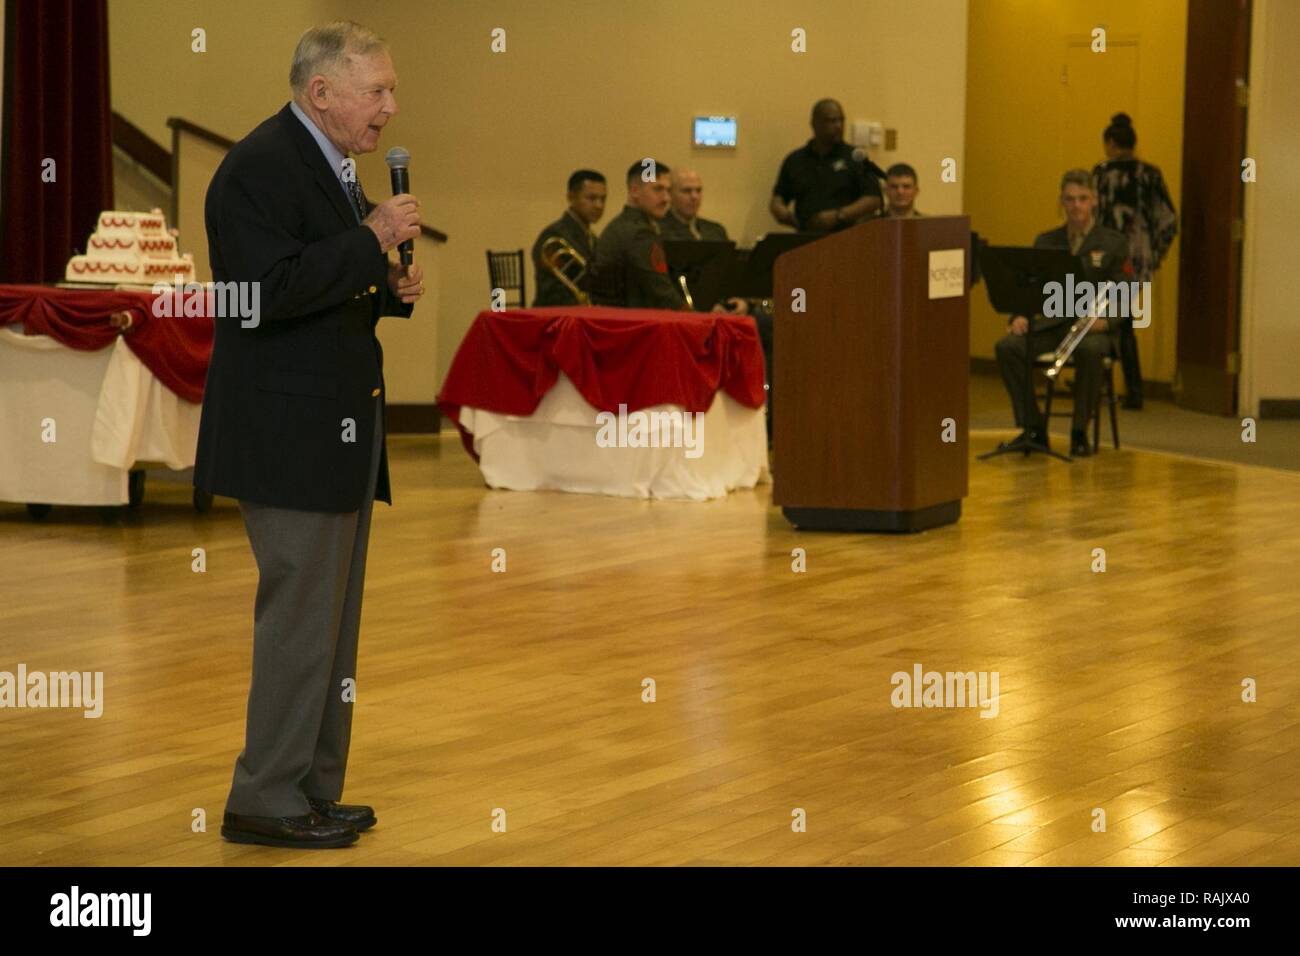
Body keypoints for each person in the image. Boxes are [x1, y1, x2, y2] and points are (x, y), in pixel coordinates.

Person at [194, 20, 424, 849]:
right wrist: (370, 241)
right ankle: (263, 795)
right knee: (298, 621)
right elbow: (263, 292)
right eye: (377, 91)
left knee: (333, 625)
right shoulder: (260, 166)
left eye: (391, 90)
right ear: (321, 92)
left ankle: (312, 787)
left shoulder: (333, 166)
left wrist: (389, 287)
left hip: (337, 428)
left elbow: (331, 277)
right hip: (286, 434)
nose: (390, 108)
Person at [993, 170, 1130, 458]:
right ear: (1062, 202)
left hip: (1092, 327)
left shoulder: (1113, 242)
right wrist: (1020, 316)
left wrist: (1106, 321)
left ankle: (1079, 431)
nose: (1076, 205)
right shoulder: (1047, 241)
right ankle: (1034, 427)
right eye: (1070, 199)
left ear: (1094, 201)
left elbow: (1125, 292)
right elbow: (1030, 288)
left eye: (1082, 199)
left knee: (1091, 351)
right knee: (1008, 348)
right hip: (1053, 325)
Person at [1092, 112, 1178, 410]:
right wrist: (1155, 253)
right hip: (1138, 259)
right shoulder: (1150, 175)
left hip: (1106, 257)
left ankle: (1110, 384)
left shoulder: (1101, 174)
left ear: (1111, 143)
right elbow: (1168, 219)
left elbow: (1092, 218)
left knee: (1114, 320)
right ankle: (1131, 388)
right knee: (1123, 318)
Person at [770, 98, 884, 233]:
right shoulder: (796, 160)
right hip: (805, 238)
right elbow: (779, 197)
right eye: (831, 121)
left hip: (846, 237)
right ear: (814, 124)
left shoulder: (855, 158)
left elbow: (874, 199)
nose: (839, 126)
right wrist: (780, 210)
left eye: (841, 120)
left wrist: (839, 215)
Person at [589, 159, 686, 309]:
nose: (666, 198)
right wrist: (699, 317)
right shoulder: (640, 233)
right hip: (630, 326)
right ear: (634, 191)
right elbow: (662, 294)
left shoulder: (621, 225)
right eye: (658, 189)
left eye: (668, 190)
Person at [531, 169, 605, 306]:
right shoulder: (553, 236)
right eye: (591, 198)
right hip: (556, 317)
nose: (599, 205)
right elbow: (553, 291)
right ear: (571, 197)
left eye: (602, 199)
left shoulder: (592, 238)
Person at [659, 168, 729, 241]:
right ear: (669, 194)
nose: (694, 196)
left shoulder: (716, 231)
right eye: (686, 191)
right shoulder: (658, 230)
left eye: (698, 190)